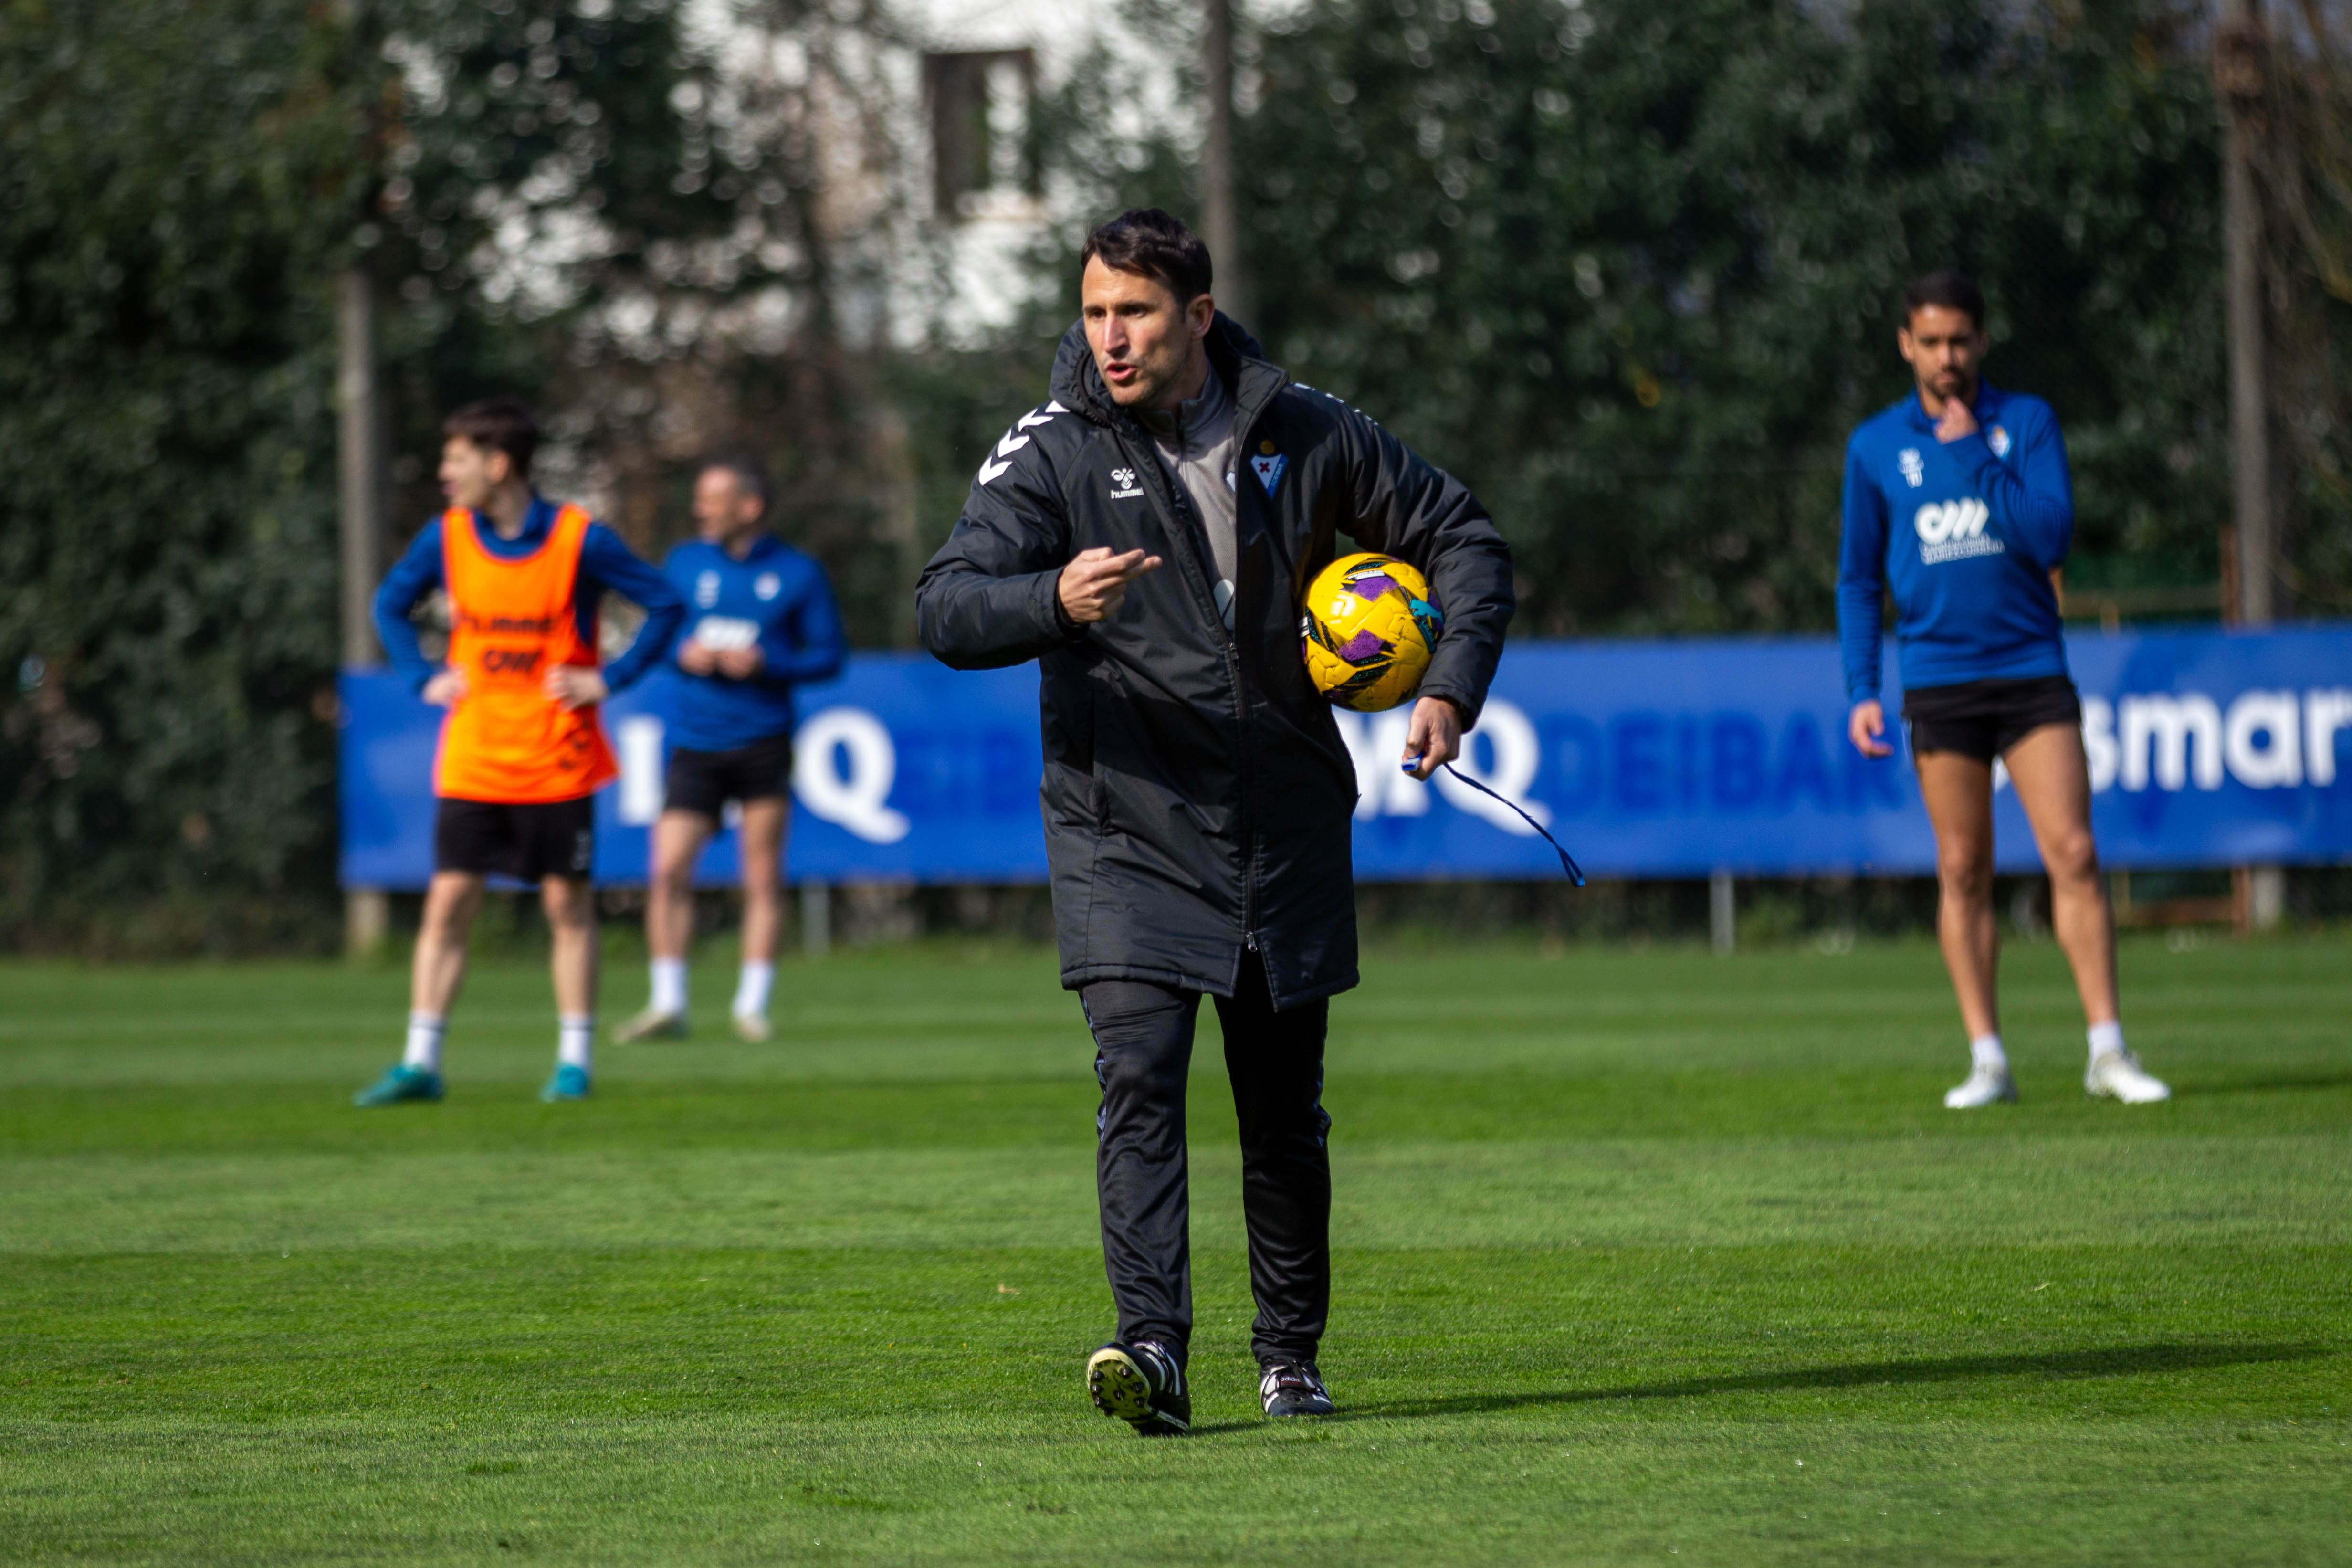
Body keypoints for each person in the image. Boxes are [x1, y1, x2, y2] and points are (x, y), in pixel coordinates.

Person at [915, 208, 1512, 1433]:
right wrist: (1050, 597)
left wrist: (1449, 682)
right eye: (1092, 313)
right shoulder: (1052, 450)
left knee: (1281, 1109)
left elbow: (1462, 535)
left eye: (1133, 312)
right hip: (1123, 821)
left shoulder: (1307, 428)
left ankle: (1290, 1358)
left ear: (1195, 315)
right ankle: (1154, 1352)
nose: (1109, 339)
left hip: (1283, 819)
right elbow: (946, 604)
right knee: (1137, 1078)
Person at [1839, 271, 2169, 1110]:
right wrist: (1860, 687)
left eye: (1960, 341)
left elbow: (2049, 535)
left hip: (2029, 670)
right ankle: (1987, 1058)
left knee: (2075, 853)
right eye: (1931, 342)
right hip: (1939, 682)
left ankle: (2106, 1050)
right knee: (1961, 869)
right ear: (1905, 345)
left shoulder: (2024, 424)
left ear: (1981, 342)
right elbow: (1855, 578)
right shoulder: (1874, 447)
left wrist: (1967, 458)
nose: (1946, 357)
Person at [357, 400, 685, 1106]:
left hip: (556, 757)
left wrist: (610, 677)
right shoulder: (446, 537)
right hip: (474, 754)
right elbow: (389, 605)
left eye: (457, 459)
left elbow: (666, 606)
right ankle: (421, 1062)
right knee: (448, 905)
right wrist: (422, 676)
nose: (446, 473)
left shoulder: (579, 539)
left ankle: (574, 1063)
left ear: (498, 464)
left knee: (567, 907)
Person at [612, 455, 845, 1044]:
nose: (700, 510)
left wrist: (770, 664)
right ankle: (668, 1003)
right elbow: (657, 637)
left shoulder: (797, 573)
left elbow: (828, 656)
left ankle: (751, 1007)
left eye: (712, 499)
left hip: (763, 740)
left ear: (749, 507)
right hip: (695, 741)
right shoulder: (685, 563)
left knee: (760, 876)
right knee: (666, 871)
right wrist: (680, 655)